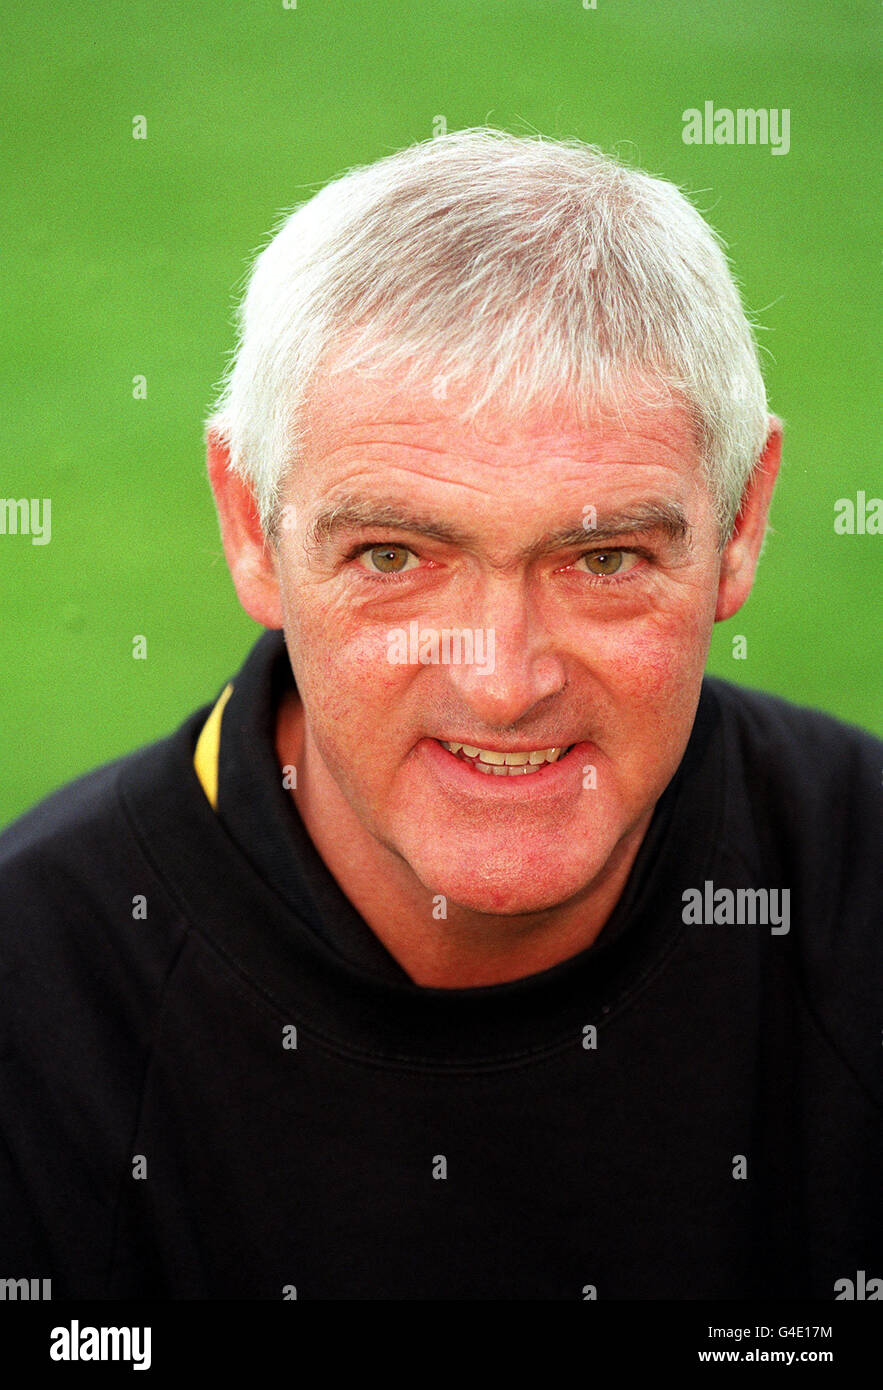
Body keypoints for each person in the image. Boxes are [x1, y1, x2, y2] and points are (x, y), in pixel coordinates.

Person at [1, 129, 880, 1301]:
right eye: (394, 554)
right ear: (252, 525)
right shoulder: (26, 1009)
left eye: (605, 558)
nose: (502, 681)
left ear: (741, 522)